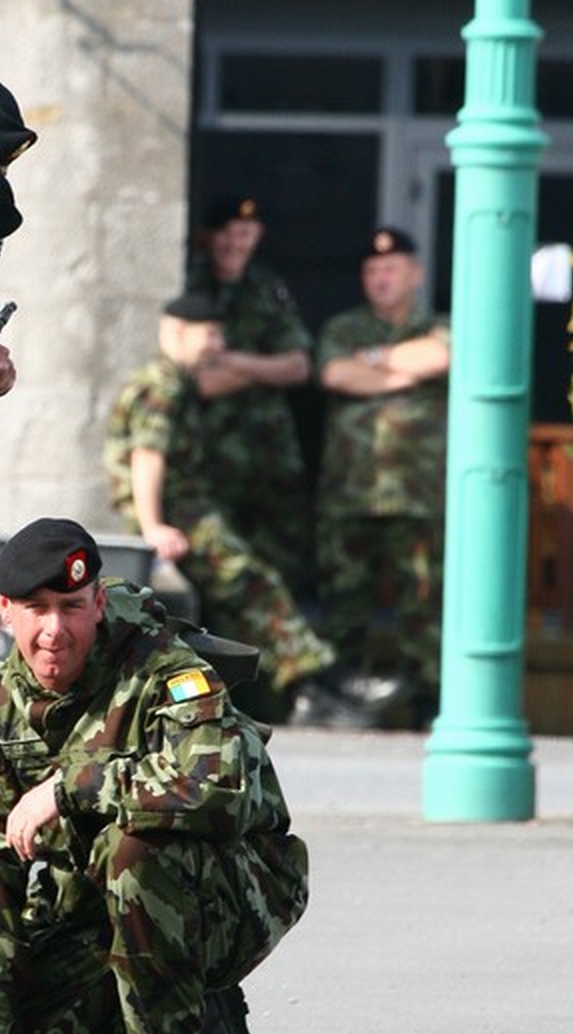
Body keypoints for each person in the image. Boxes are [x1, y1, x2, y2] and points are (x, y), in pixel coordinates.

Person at [0, 518, 309, 1034]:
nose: (55, 631)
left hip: (230, 895)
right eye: (36, 609)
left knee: (136, 843)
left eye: (73, 608)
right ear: (4, 611)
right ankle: (203, 1017)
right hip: (96, 916)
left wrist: (71, 787)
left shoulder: (164, 668)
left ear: (99, 602)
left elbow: (216, 787)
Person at [104, 290, 395, 726]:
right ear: (178, 332)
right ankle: (321, 676)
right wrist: (153, 526)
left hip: (191, 508)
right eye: (212, 335)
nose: (219, 346)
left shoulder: (175, 381)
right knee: (252, 582)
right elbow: (148, 455)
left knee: (242, 597)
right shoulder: (162, 385)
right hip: (183, 513)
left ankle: (296, 690)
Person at [314, 226, 451, 727]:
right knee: (346, 607)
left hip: (419, 497)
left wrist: (372, 366)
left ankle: (427, 706)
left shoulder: (439, 326)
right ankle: (345, 699)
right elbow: (333, 374)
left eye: (391, 269)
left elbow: (441, 357)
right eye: (371, 271)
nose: (380, 279)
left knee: (423, 609)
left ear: (414, 273)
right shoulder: (344, 329)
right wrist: (402, 373)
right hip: (351, 494)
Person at [184, 195, 313, 589]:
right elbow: (199, 378)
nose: (235, 242)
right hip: (210, 458)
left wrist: (235, 361)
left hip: (269, 459)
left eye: (245, 233)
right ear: (208, 237)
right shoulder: (192, 284)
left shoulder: (267, 288)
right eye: (226, 233)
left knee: (274, 572)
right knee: (218, 575)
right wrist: (264, 366)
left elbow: (298, 367)